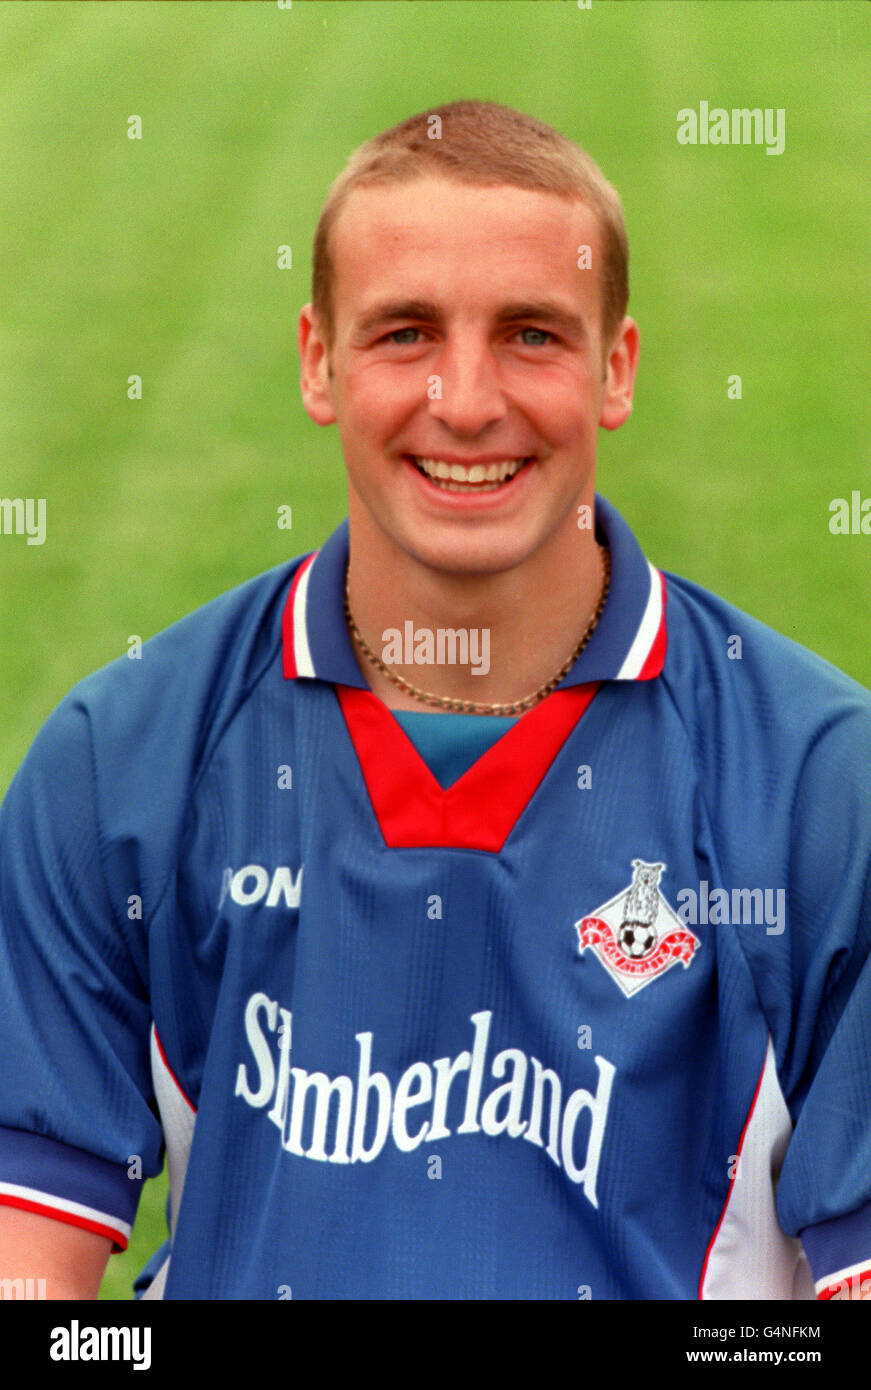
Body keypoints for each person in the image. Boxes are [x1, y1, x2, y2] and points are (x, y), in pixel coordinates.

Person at [1, 100, 869, 1301]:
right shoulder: (119, 765)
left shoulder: (824, 787)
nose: (465, 402)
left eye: (530, 335)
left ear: (615, 368)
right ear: (319, 360)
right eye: (406, 333)